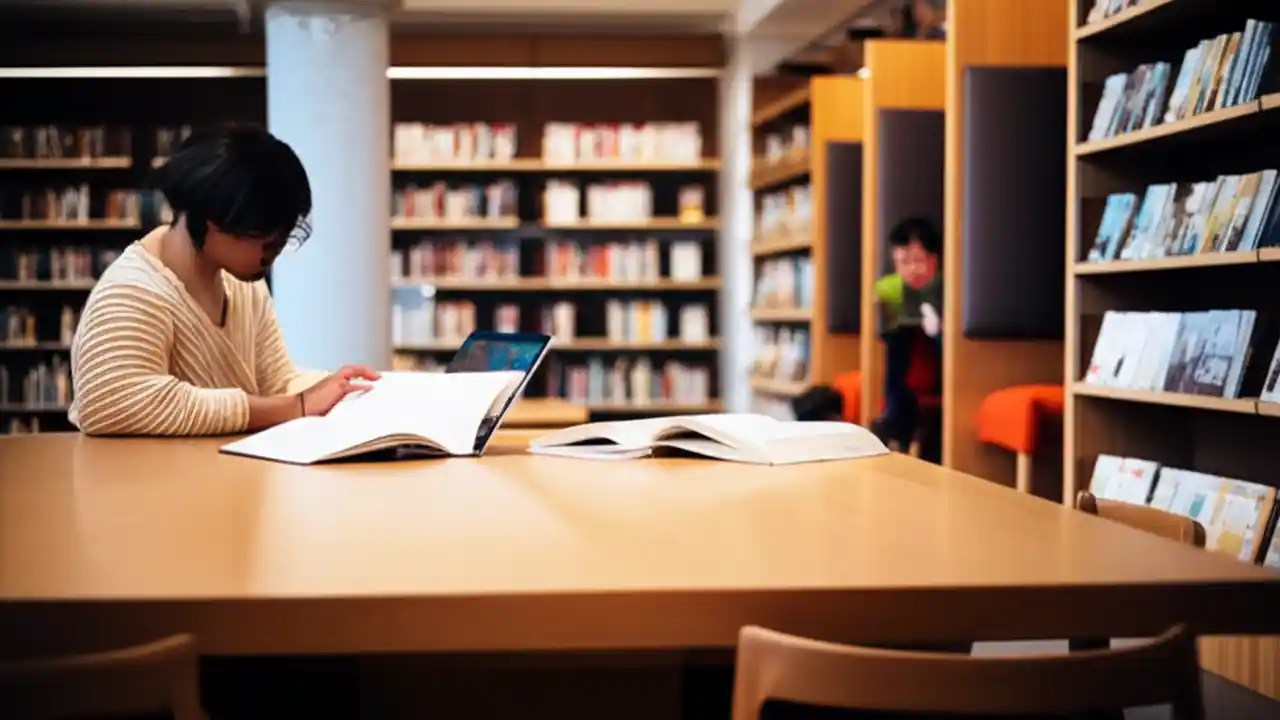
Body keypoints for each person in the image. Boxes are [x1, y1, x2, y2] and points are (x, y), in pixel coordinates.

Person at [68, 123, 379, 436]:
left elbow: (276, 382)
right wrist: (296, 406)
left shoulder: (244, 284)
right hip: (150, 482)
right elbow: (110, 403)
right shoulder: (133, 290)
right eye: (265, 240)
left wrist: (346, 392)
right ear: (213, 219)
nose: (274, 253)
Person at [871, 217, 942, 455]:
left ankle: (896, 418)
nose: (911, 270)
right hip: (912, 373)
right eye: (902, 262)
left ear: (935, 259)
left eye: (918, 261)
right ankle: (895, 415)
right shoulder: (895, 290)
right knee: (897, 337)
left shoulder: (947, 286)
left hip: (944, 366)